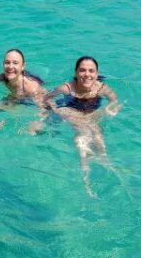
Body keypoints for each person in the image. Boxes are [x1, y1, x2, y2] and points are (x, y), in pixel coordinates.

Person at [45, 56, 121, 196]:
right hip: (71, 109)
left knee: (97, 135)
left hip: (91, 113)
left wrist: (110, 109)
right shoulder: (66, 88)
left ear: (97, 74)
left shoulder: (102, 88)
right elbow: (47, 98)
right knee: (82, 136)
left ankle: (104, 159)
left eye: (91, 71)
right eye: (83, 70)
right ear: (76, 73)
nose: (87, 74)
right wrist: (58, 111)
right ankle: (85, 173)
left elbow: (114, 101)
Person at [0, 48, 46, 134]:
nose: (10, 66)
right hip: (14, 96)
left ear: (23, 66)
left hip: (29, 100)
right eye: (7, 62)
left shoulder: (31, 87)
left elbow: (43, 108)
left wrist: (38, 122)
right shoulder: (3, 77)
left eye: (15, 63)